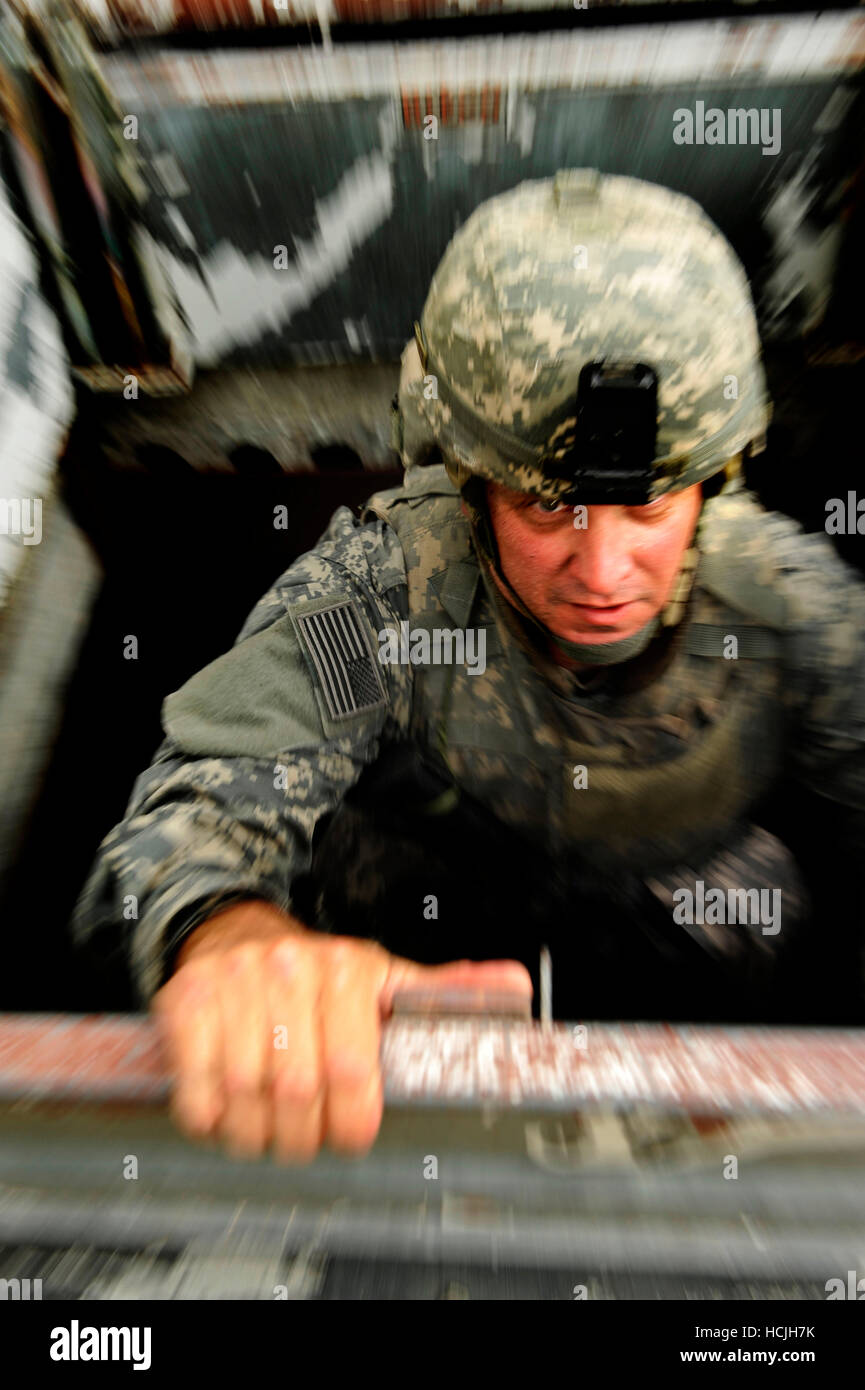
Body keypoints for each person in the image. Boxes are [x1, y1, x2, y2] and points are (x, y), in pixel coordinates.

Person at [71, 168, 865, 1162]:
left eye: (651, 506)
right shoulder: (381, 594)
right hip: (424, 903)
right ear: (469, 484)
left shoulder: (795, 613)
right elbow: (185, 821)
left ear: (714, 482)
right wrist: (228, 938)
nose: (603, 571)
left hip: (664, 894)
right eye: (545, 507)